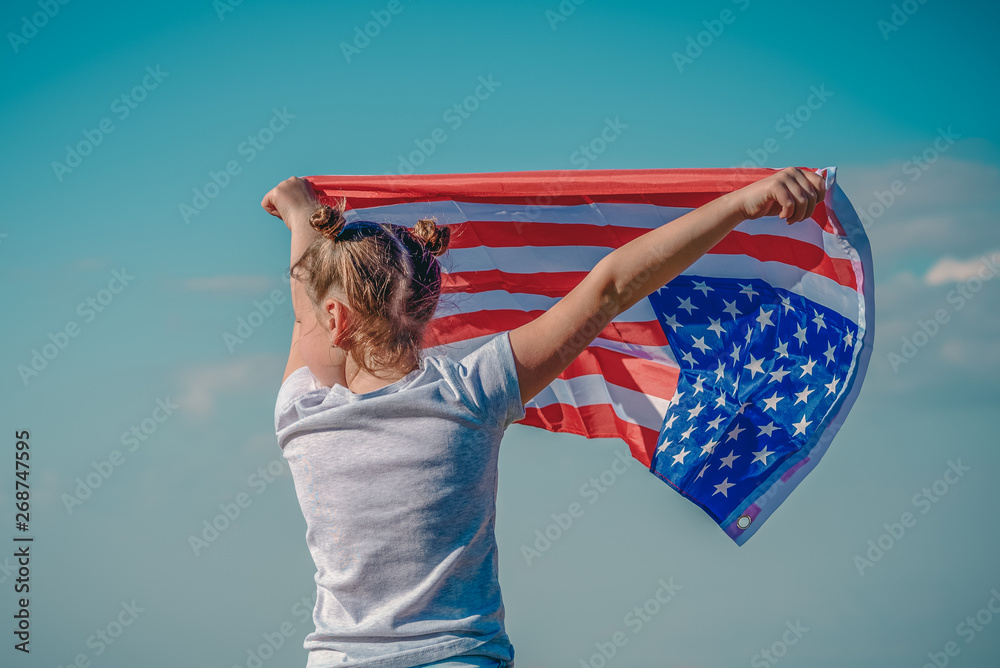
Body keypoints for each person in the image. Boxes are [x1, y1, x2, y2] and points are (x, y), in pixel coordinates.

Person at [261, 167, 826, 668]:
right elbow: (608, 288)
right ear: (424, 305)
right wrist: (739, 205)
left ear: (335, 320)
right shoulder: (471, 390)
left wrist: (299, 217)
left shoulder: (303, 415)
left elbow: (305, 306)